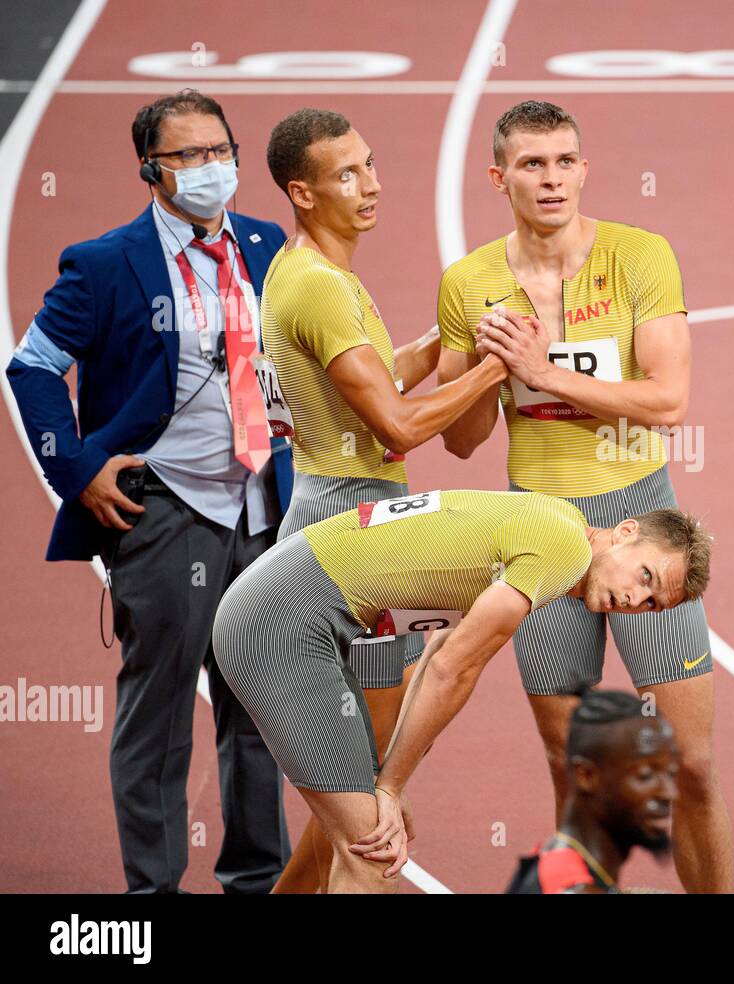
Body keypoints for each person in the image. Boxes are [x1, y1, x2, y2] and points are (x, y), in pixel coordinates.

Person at [438, 100, 733, 892]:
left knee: (693, 766)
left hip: (639, 526)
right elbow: (461, 438)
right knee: (575, 778)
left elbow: (669, 400)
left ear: (584, 170)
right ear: (499, 178)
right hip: (539, 532)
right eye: (532, 164)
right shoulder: (469, 282)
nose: (552, 178)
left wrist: (544, 374)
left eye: (565, 161)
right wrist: (486, 367)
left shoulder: (640, 256)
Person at [5, 89, 291, 893]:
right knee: (161, 715)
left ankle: (257, 880)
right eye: (190, 155)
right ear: (149, 169)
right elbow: (31, 368)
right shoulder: (103, 263)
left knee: (262, 707)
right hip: (166, 505)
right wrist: (77, 469)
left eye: (221, 149)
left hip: (264, 505)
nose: (213, 167)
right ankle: (153, 892)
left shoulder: (267, 244)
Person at [212, 489, 712, 893]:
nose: (634, 599)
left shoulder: (558, 522)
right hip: (280, 622)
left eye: (651, 604)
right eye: (645, 575)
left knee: (351, 832)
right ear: (625, 533)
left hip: (284, 605)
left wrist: (392, 779)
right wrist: (389, 787)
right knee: (375, 852)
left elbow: (437, 650)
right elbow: (455, 669)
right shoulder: (563, 553)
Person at [258, 108, 509, 893]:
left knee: (353, 782)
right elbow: (396, 421)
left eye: (369, 165)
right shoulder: (321, 288)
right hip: (348, 528)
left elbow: (380, 379)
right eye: (346, 175)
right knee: (365, 795)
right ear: (302, 192)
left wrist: (446, 341)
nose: (370, 186)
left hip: (341, 512)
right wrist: (496, 368)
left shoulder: (312, 273)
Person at [505, 689, 679, 894]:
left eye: (670, 773)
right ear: (586, 776)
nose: (669, 793)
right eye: (645, 776)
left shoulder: (553, 861)